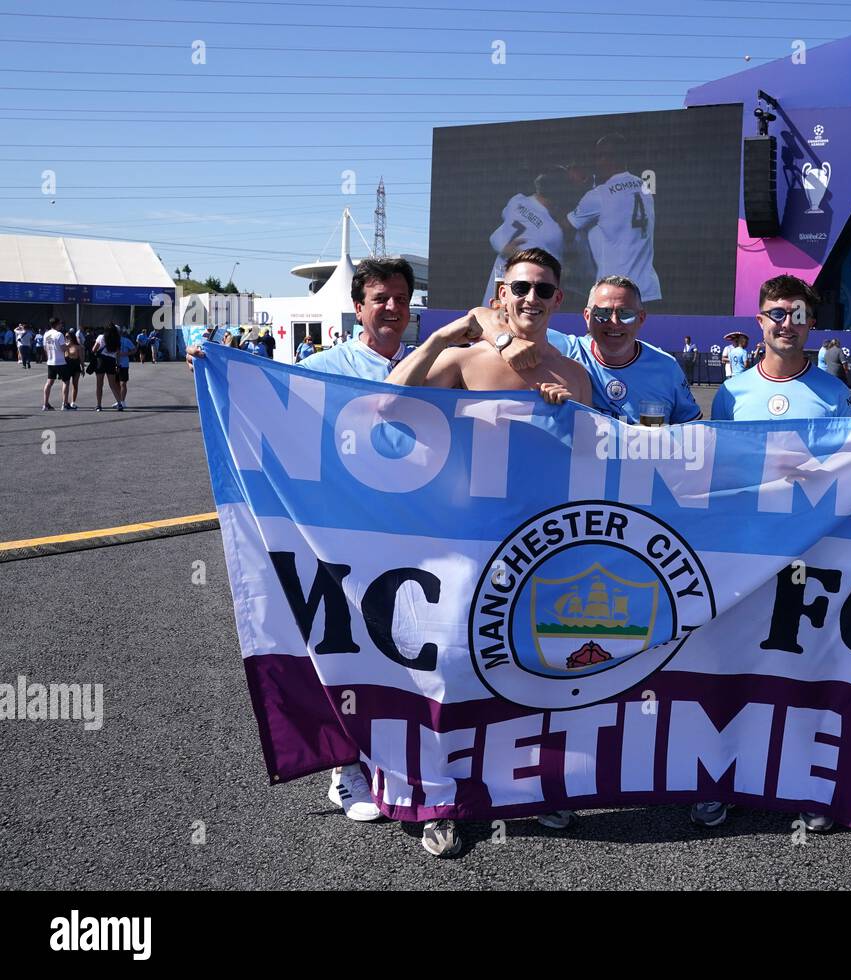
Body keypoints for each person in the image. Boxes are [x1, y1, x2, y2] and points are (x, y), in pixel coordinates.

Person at [190, 258, 443, 830]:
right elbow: (262, 406)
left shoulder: (435, 368)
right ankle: (343, 768)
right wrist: (213, 367)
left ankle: (404, 759)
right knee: (341, 647)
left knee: (408, 650)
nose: (393, 308)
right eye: (380, 298)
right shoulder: (324, 366)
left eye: (402, 298)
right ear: (358, 307)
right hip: (337, 534)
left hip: (416, 536)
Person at [387, 247, 591, 858]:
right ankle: (438, 799)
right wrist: (447, 331)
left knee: (531, 664)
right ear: (502, 292)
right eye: (520, 288)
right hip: (460, 540)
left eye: (543, 290)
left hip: (539, 544)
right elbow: (390, 403)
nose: (530, 299)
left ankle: (524, 789)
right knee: (447, 667)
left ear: (558, 300)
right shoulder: (463, 358)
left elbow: (595, 455)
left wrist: (570, 412)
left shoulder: (572, 373)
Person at [700, 275, 851, 833]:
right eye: (774, 313)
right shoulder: (732, 393)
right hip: (743, 552)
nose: (784, 322)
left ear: (811, 321)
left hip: (810, 553)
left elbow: (850, 473)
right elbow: (718, 473)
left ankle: (801, 783)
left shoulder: (834, 394)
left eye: (795, 312)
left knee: (802, 666)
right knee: (732, 664)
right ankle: (718, 778)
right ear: (758, 321)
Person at [547, 274, 702, 423]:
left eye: (625, 314)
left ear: (641, 319)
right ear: (587, 316)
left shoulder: (667, 368)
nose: (614, 322)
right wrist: (522, 345)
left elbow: (692, 434)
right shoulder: (564, 350)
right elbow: (524, 328)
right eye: (603, 313)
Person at [567, 134, 661, 302]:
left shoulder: (598, 196)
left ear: (607, 158)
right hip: (648, 289)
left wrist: (569, 187)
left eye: (598, 156)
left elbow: (567, 225)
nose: (595, 162)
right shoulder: (643, 185)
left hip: (616, 294)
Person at [482, 168, 570, 307]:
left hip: (498, 286)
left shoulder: (516, 201)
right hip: (523, 296)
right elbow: (560, 272)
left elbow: (496, 236)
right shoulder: (553, 231)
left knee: (491, 321)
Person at [90, 325, 126, 412]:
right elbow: (117, 354)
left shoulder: (101, 337)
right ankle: (120, 403)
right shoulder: (117, 340)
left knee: (99, 384)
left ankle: (99, 405)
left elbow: (94, 349)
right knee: (112, 384)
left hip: (101, 361)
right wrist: (117, 365)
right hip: (111, 362)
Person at [41, 319, 70, 412]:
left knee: (49, 382)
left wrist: (48, 357)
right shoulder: (59, 334)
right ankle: (64, 404)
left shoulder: (46, 334)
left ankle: (45, 404)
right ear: (57, 324)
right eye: (60, 323)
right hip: (60, 361)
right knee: (66, 381)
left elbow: (45, 348)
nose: (61, 325)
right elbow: (63, 348)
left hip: (51, 361)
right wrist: (69, 345)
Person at [114, 330, 136, 407]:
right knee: (116, 384)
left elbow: (134, 349)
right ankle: (119, 400)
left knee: (123, 383)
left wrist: (126, 353)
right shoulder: (111, 341)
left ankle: (123, 401)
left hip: (124, 365)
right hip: (114, 364)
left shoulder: (126, 340)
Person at [64, 329, 83, 409]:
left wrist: (83, 368)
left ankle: (73, 402)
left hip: (76, 365)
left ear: (72, 337)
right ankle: (65, 402)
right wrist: (67, 347)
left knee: (75, 385)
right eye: (65, 337)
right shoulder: (65, 345)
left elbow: (81, 358)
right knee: (66, 384)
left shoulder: (78, 346)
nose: (66, 338)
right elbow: (64, 356)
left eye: (68, 336)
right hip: (67, 365)